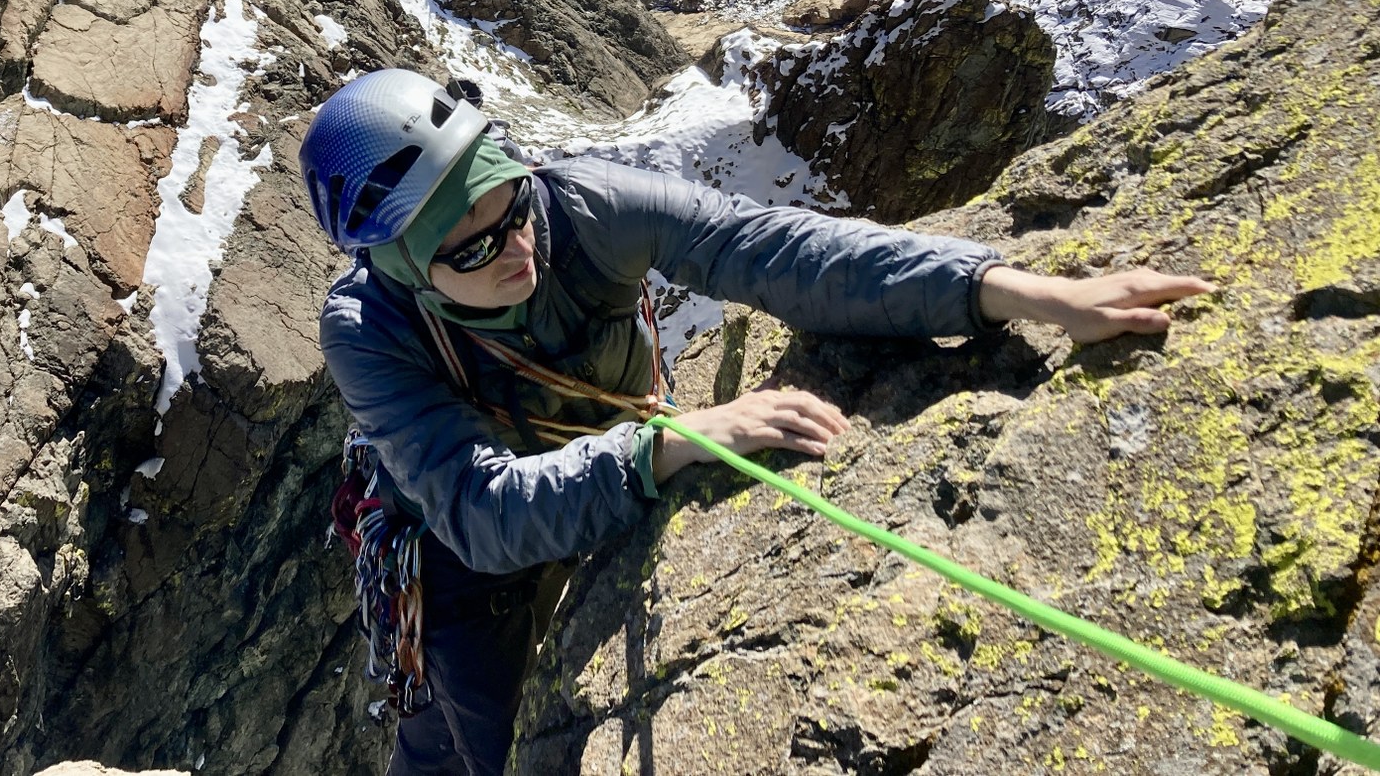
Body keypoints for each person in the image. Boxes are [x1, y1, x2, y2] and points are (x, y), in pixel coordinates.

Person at [303, 69, 1211, 776]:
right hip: (460, 561)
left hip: (578, 456)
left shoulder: (577, 207)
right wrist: (665, 445)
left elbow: (767, 248)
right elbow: (481, 513)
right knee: (479, 744)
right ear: (404, 268)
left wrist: (1009, 290)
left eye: (509, 203)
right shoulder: (369, 330)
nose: (519, 247)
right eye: (471, 244)